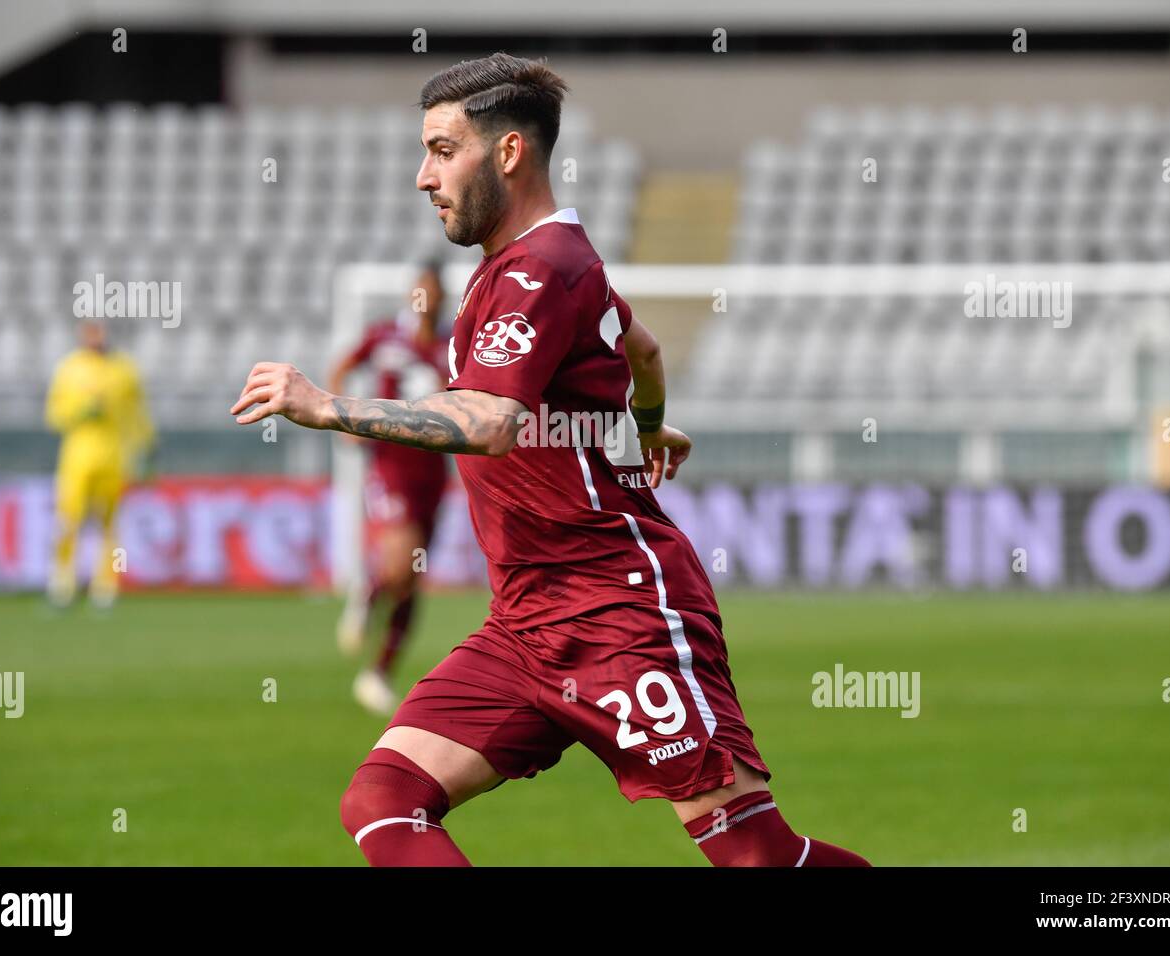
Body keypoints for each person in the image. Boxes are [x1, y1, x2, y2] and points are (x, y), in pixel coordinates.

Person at [231, 52, 869, 867]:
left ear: (507, 153)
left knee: (754, 854)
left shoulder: (541, 267)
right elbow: (643, 350)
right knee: (385, 799)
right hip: (524, 626)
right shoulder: (534, 265)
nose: (423, 176)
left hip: (619, 617)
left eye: (440, 149)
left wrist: (327, 407)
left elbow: (494, 423)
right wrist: (648, 427)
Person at [327, 262, 449, 714]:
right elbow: (340, 368)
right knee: (402, 558)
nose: (427, 299)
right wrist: (346, 421)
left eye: (434, 292)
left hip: (434, 472)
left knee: (413, 579)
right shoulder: (384, 339)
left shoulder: (450, 346)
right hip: (390, 464)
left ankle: (379, 672)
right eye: (421, 290)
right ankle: (371, 590)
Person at [45, 319, 154, 608]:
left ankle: (105, 589)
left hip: (114, 455)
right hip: (77, 456)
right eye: (91, 331)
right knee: (68, 521)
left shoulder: (124, 369)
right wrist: (81, 410)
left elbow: (137, 413)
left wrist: (148, 447)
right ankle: (62, 585)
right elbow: (54, 414)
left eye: (100, 331)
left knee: (108, 524)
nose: (96, 337)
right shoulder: (69, 368)